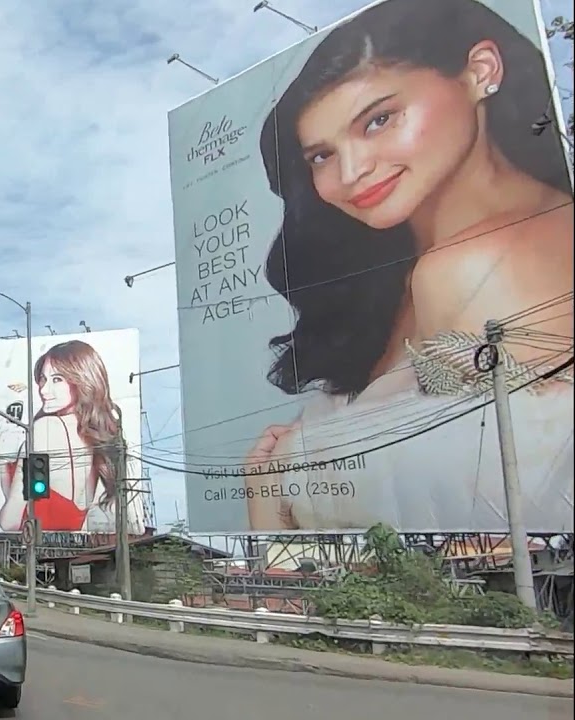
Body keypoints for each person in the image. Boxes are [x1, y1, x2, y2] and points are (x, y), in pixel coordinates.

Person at [243, 0, 573, 531]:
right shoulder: (398, 278)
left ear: (480, 71)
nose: (352, 172)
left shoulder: (469, 266)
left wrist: (280, 485)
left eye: (378, 120)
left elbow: (485, 529)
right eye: (321, 155)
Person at [0, 340, 125, 532]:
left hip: (36, 548)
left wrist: (1, 462)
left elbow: (9, 521)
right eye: (43, 379)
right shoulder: (93, 437)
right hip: (72, 544)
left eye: (57, 379)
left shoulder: (44, 428)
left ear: (82, 380)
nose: (44, 390)